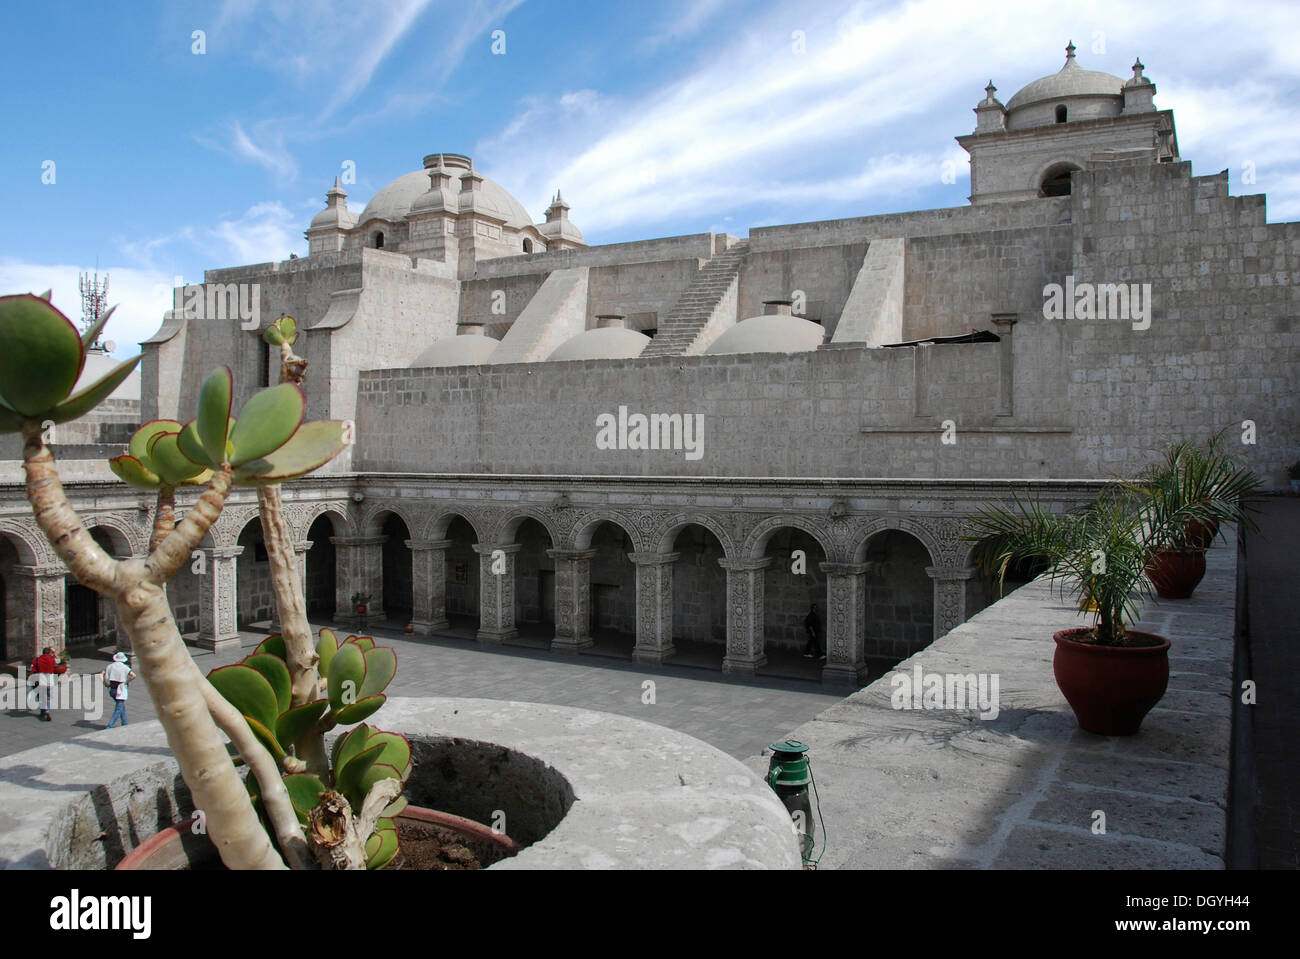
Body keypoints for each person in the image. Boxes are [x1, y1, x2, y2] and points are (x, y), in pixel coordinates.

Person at [29, 647, 68, 721]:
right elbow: (60, 661)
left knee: (41, 697)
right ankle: (47, 711)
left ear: (43, 653)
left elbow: (32, 668)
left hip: (41, 682)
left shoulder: (37, 660)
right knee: (48, 697)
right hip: (50, 682)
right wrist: (54, 653)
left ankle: (43, 711)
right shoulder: (52, 659)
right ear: (49, 653)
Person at [103, 652, 136, 728]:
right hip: (120, 689)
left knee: (121, 706)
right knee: (118, 708)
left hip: (112, 688)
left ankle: (125, 723)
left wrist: (106, 684)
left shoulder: (110, 666)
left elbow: (106, 677)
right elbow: (133, 675)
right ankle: (110, 726)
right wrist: (126, 682)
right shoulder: (125, 667)